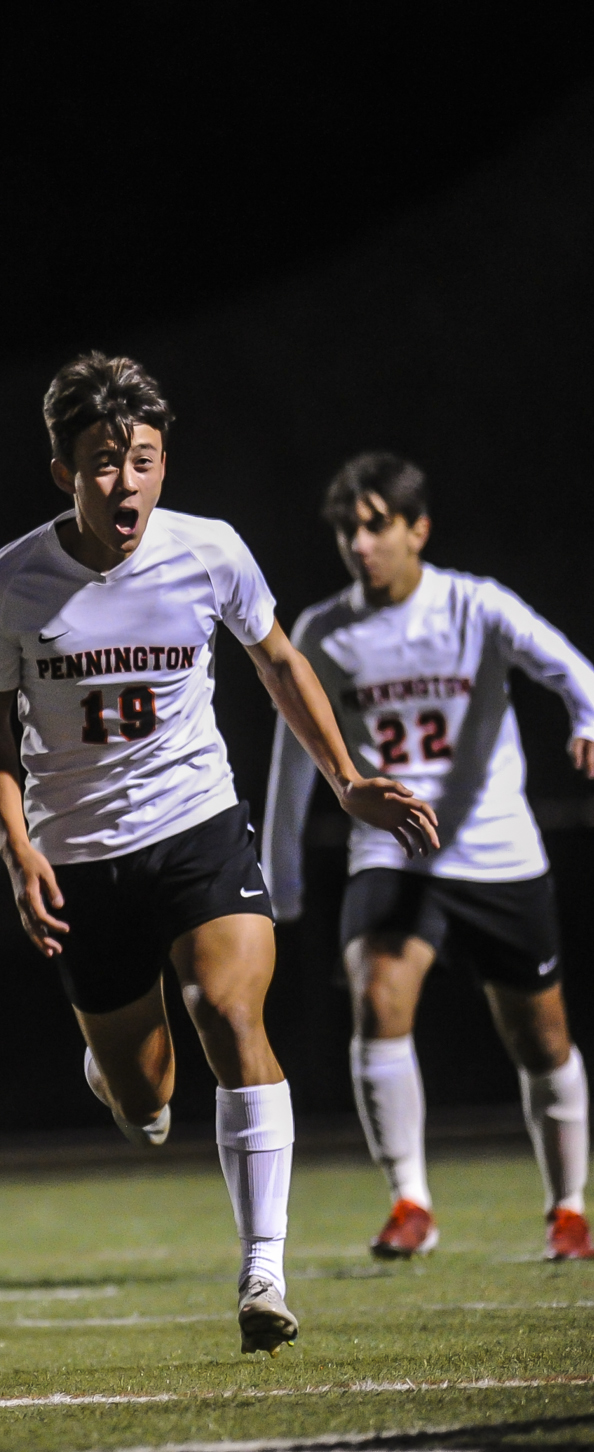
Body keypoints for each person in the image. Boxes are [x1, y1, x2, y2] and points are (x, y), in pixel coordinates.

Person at [0, 355, 440, 1358]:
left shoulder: (208, 551)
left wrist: (346, 777)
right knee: (144, 1101)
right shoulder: (9, 583)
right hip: (81, 858)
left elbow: (276, 660)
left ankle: (261, 1266)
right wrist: (13, 848)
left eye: (139, 460)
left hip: (197, 828)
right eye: (100, 462)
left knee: (229, 1010)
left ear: (162, 464)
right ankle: (113, 1074)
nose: (123, 481)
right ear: (63, 472)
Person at [263, 452, 593, 1262]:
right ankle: (410, 1200)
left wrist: (586, 717)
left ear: (419, 529)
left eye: (377, 525)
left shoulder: (474, 606)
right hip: (394, 851)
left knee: (541, 1039)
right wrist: (281, 882)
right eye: (347, 528)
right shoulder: (322, 632)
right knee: (378, 997)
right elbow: (294, 759)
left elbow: (574, 669)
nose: (359, 543)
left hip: (497, 853)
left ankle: (569, 1208)